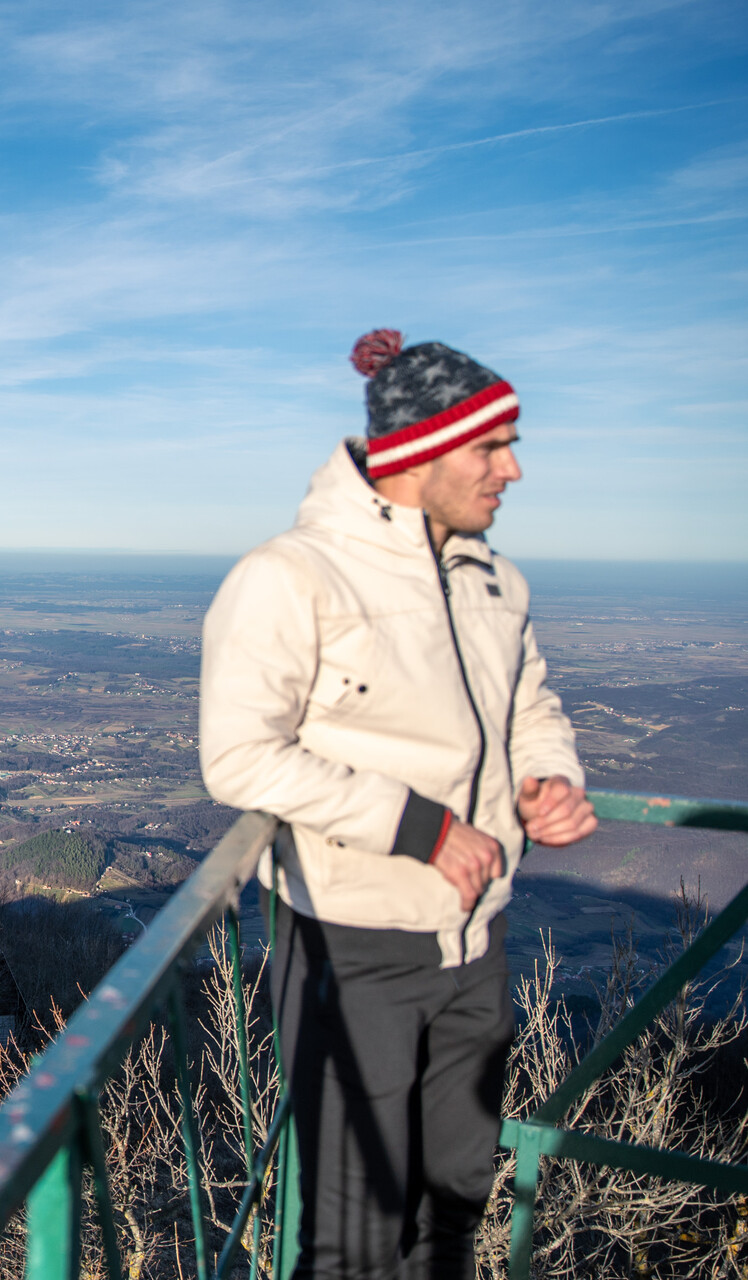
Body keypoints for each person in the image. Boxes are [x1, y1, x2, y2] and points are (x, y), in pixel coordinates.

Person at [198, 329, 599, 1278]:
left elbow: (528, 705)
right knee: (353, 1237)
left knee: (454, 1204)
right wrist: (418, 826)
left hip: (477, 937)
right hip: (353, 942)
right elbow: (240, 759)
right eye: (491, 446)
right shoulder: (290, 576)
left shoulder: (494, 578)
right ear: (420, 452)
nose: (515, 469)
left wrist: (549, 776)